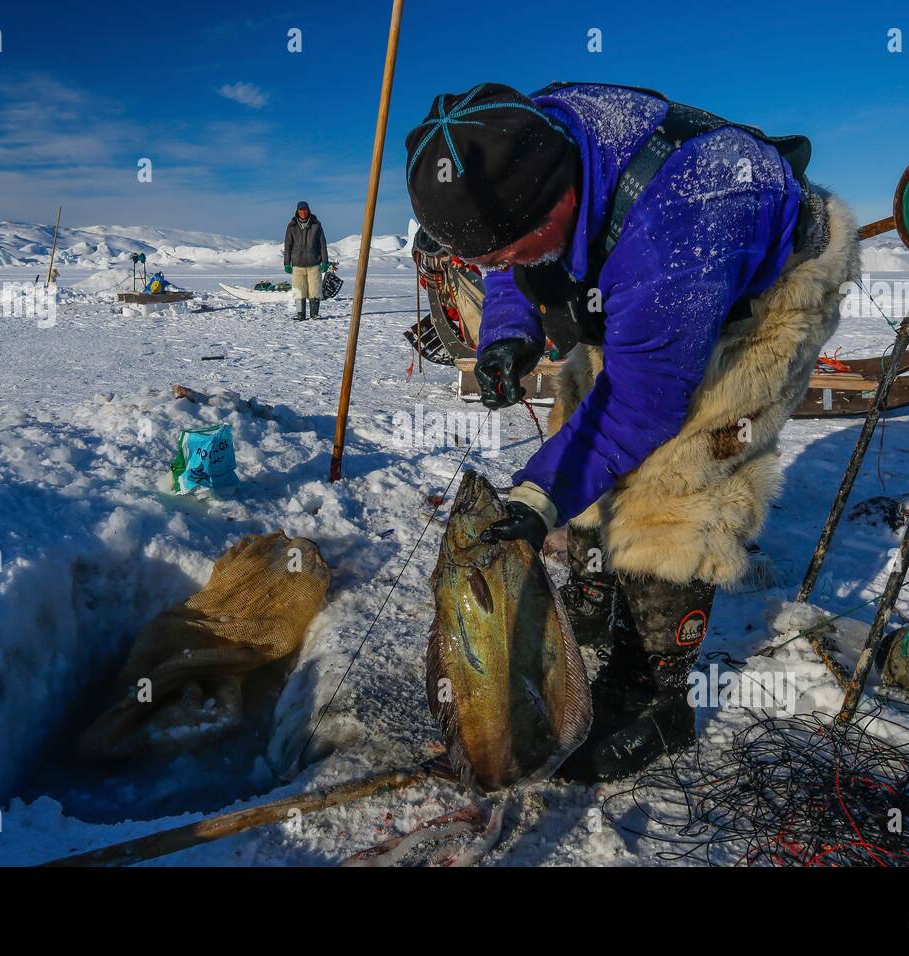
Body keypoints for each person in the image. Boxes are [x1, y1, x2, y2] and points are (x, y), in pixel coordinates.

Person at [405, 82, 858, 780]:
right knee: (574, 424)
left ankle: (655, 696)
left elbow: (642, 409)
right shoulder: (515, 141)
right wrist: (509, 333)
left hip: (763, 297)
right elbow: (499, 254)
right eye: (487, 258)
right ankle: (595, 593)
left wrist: (535, 500)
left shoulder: (681, 222)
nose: (496, 270)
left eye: (505, 254)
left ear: (556, 201)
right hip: (637, 283)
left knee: (671, 477)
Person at [283, 201, 330, 320]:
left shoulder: (316, 225)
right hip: (297, 265)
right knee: (299, 291)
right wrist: (287, 263)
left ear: (308, 210)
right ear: (297, 211)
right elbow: (288, 245)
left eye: (305, 210)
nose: (303, 212)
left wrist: (325, 261)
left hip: (314, 264)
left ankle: (314, 314)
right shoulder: (292, 225)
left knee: (315, 290)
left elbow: (322, 244)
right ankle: (300, 314)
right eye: (301, 210)